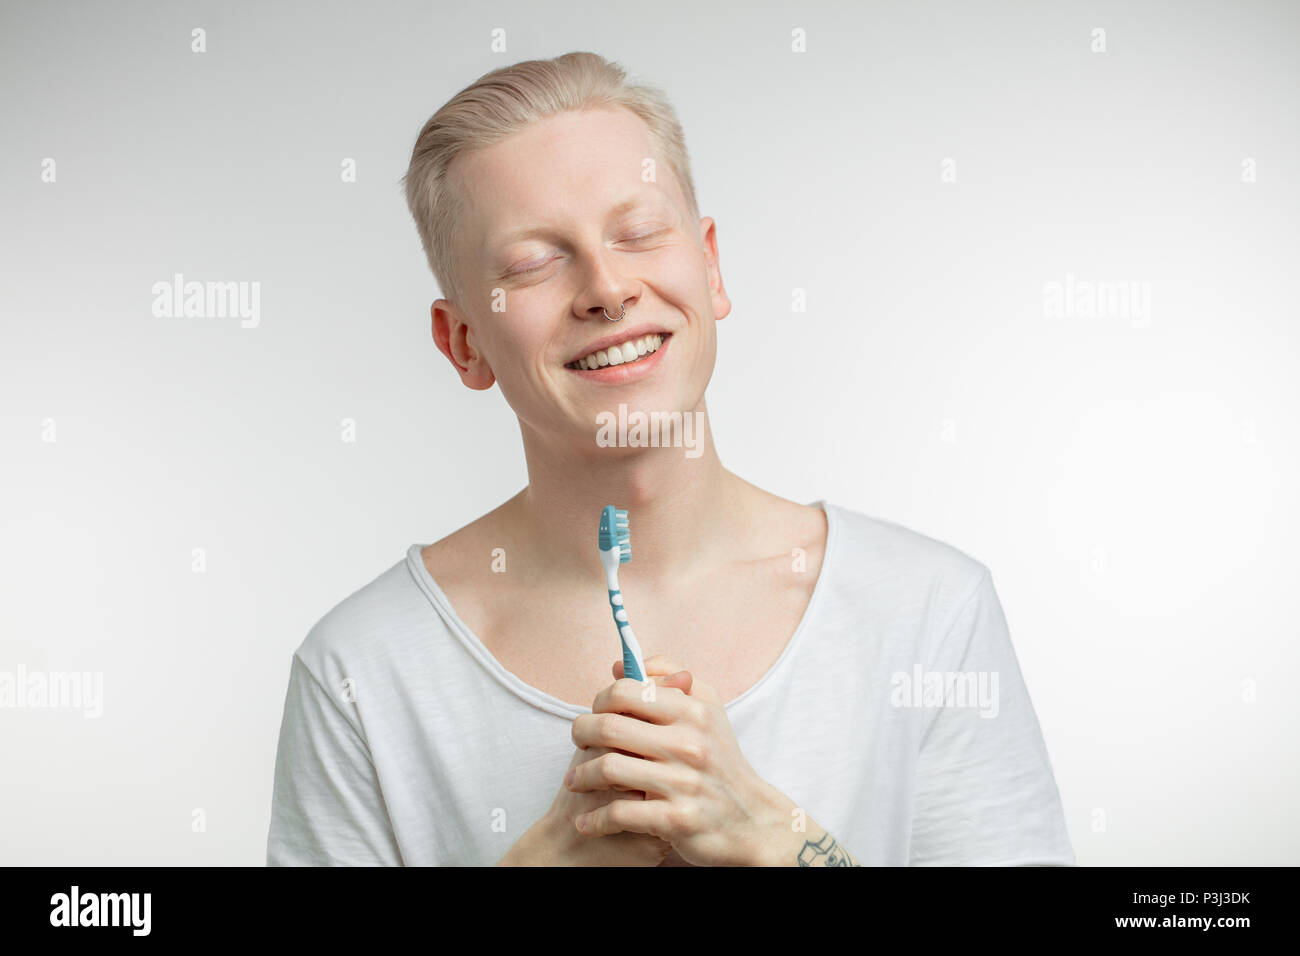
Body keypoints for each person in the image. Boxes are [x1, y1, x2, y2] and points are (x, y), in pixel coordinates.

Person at [266, 51, 1075, 867]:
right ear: (464, 342)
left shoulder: (926, 613)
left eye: (641, 233)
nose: (608, 288)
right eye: (533, 264)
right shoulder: (361, 674)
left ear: (711, 265)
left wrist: (773, 841)